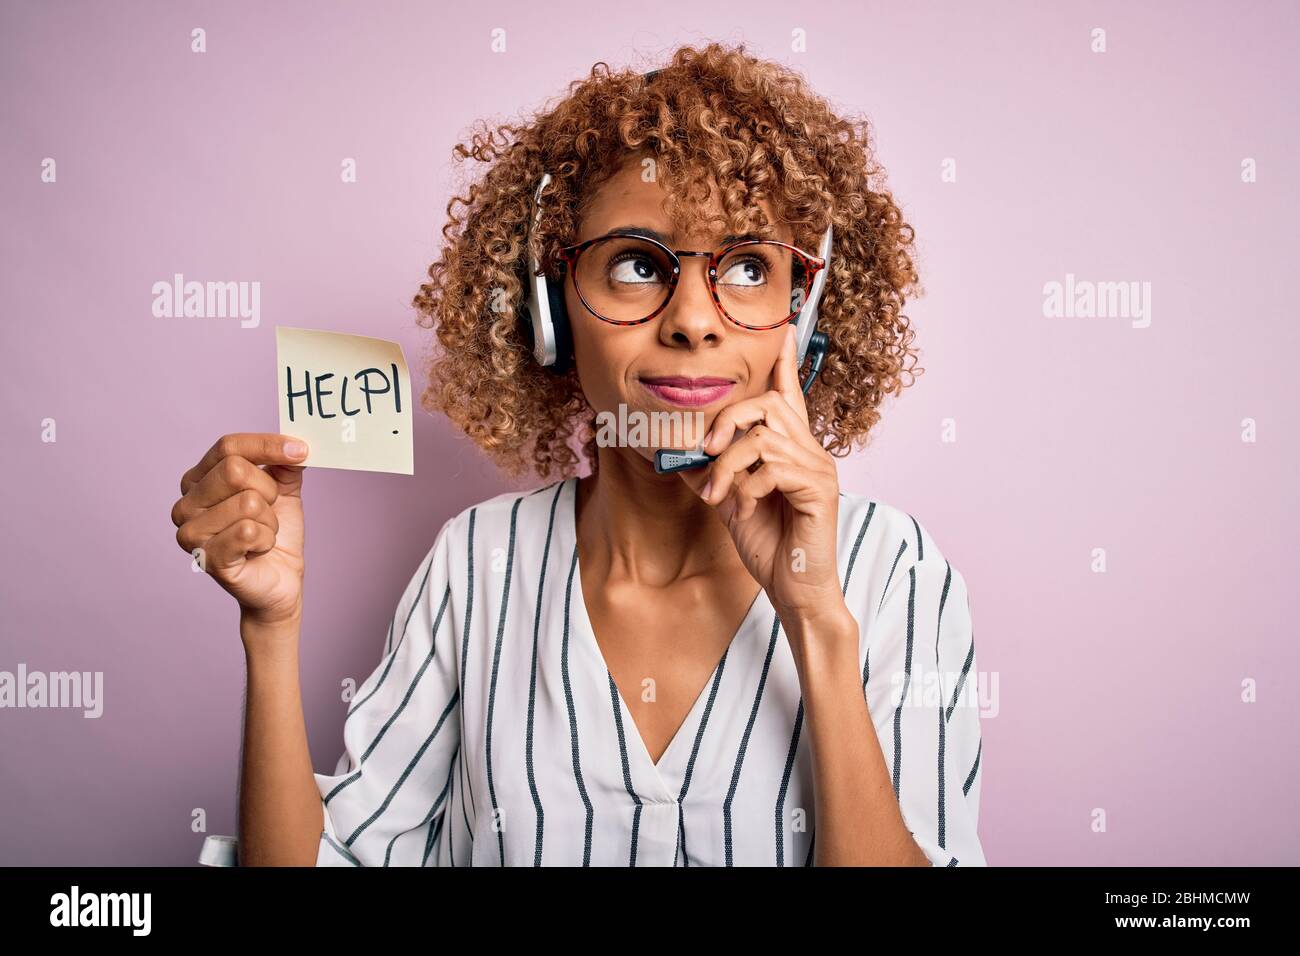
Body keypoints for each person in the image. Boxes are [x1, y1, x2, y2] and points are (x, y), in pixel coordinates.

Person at [171, 42, 985, 867]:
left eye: (746, 268)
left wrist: (816, 620)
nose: (694, 320)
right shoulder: (476, 565)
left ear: (800, 317)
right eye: (638, 264)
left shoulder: (897, 575)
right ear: (550, 310)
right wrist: (271, 632)